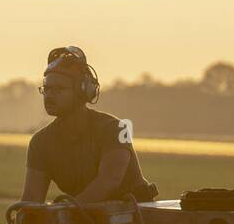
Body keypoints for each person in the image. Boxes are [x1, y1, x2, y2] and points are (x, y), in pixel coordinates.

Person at [20, 46, 158, 204]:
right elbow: (31, 199)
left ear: (82, 91)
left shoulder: (116, 128)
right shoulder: (40, 142)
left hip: (136, 218)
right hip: (85, 218)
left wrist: (67, 210)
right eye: (46, 89)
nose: (49, 95)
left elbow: (109, 181)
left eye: (58, 89)